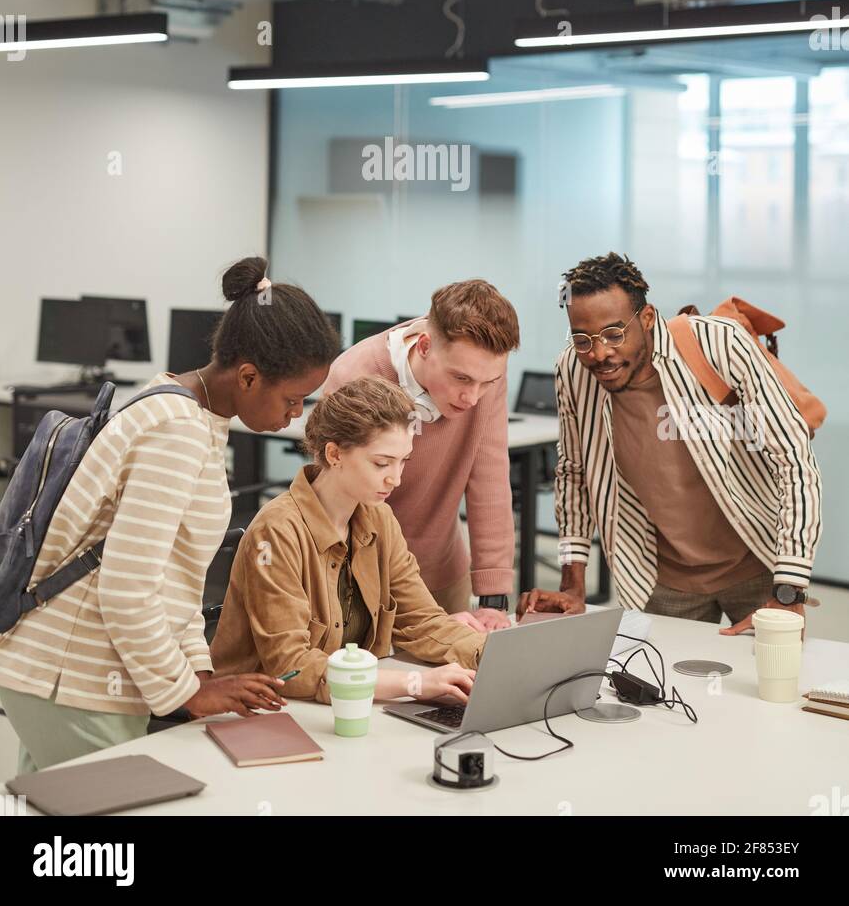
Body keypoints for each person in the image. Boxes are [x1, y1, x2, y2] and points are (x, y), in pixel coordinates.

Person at [0, 257, 340, 772]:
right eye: (293, 398)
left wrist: (199, 673)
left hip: (57, 673)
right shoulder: (177, 432)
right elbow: (127, 588)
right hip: (75, 678)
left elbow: (175, 580)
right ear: (247, 376)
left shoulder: (174, 402)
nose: (296, 414)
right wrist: (184, 692)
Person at [518, 252, 822, 633]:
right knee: (664, 690)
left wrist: (790, 589)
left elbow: (793, 459)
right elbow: (574, 474)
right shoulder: (573, 370)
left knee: (772, 685)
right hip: (663, 578)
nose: (598, 354)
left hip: (758, 562)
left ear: (646, 319)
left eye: (614, 334)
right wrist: (572, 580)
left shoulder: (720, 345)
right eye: (583, 339)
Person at [211, 376, 486, 705]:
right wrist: (413, 683)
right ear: (334, 454)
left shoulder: (379, 518)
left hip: (341, 706)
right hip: (261, 713)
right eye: (381, 463)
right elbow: (292, 668)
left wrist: (492, 657)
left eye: (402, 462)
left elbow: (421, 619)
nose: (395, 479)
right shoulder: (277, 531)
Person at [321, 281, 519, 630]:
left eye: (487, 382)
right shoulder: (354, 374)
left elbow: (489, 481)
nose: (472, 397)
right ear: (425, 346)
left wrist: (492, 600)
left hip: (442, 571)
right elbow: (333, 504)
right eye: (461, 378)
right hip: (358, 579)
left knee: (453, 680)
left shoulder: (484, 377)